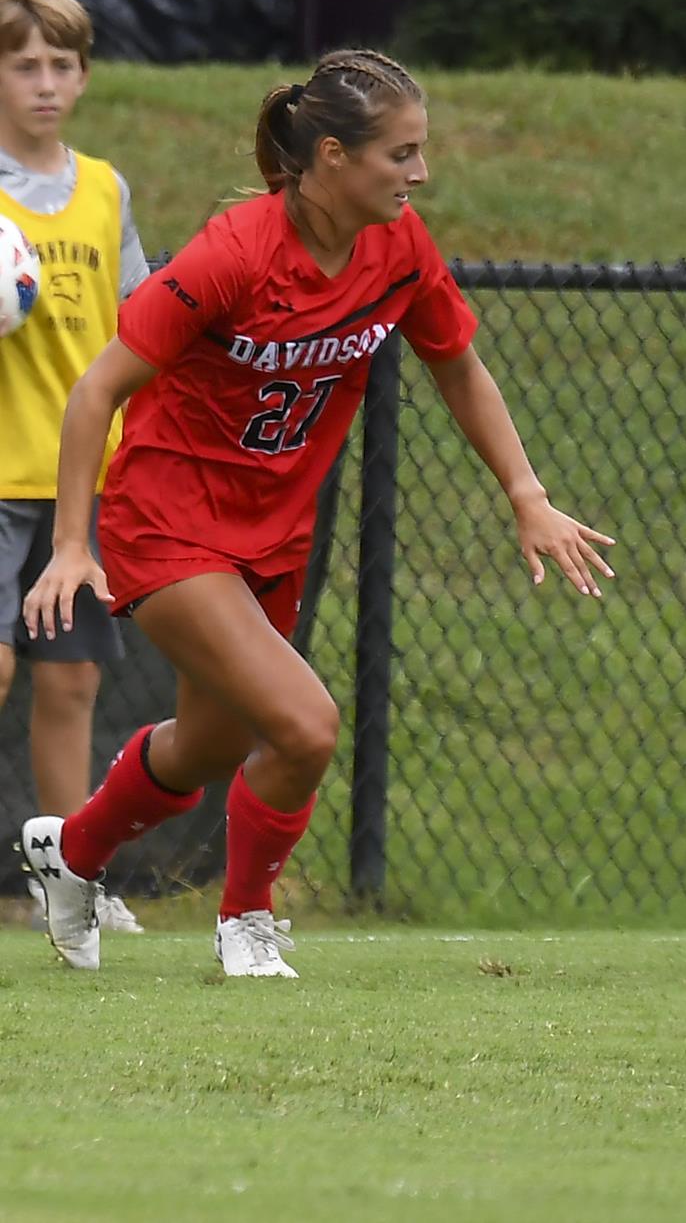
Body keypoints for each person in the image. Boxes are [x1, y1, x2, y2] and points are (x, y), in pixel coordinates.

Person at [18, 49, 614, 977]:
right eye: (401, 154)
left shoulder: (399, 246)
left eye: (421, 152)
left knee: (207, 746)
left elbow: (456, 362)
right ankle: (247, 923)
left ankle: (73, 854)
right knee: (305, 725)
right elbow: (97, 391)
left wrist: (527, 495)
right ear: (332, 156)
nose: (421, 174)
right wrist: (68, 544)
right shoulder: (232, 254)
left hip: (272, 534)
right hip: (168, 520)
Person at [0, 0, 152, 935]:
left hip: (79, 486)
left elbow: (140, 320)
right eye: (22, 66)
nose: (44, 83)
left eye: (61, 64)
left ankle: (73, 885)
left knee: (70, 682)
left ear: (85, 76)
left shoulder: (105, 189)